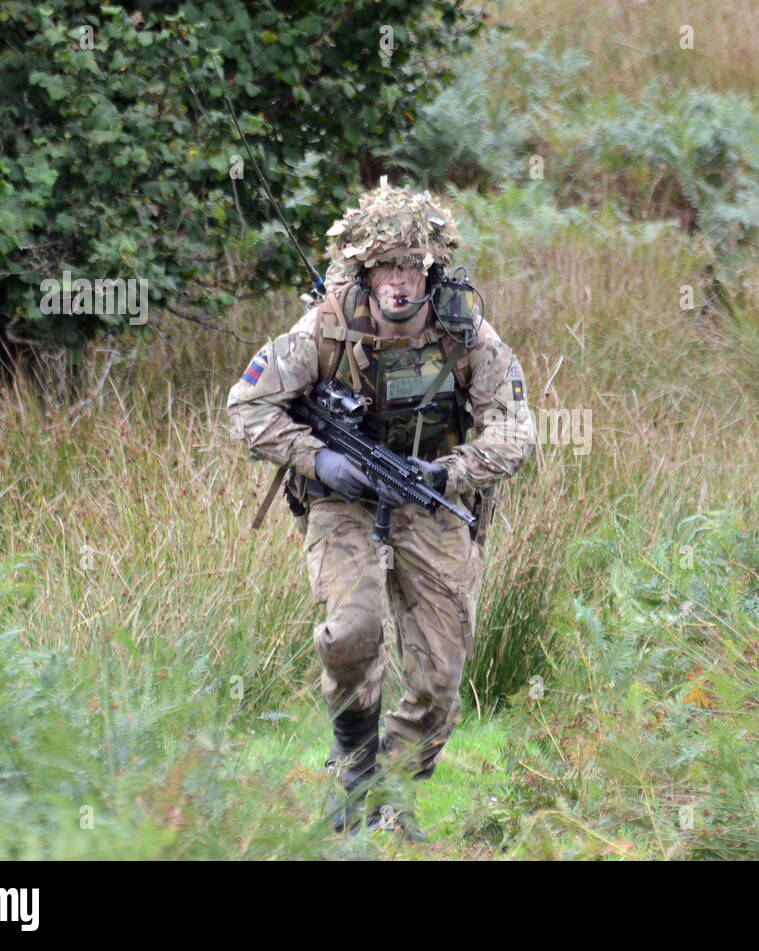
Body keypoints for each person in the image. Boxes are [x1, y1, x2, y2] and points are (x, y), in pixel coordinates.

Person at [226, 181, 536, 839]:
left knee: (441, 675)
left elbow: (515, 432)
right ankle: (356, 766)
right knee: (352, 630)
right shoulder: (326, 325)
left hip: (431, 494)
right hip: (342, 498)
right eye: (384, 267)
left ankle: (393, 794)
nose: (397, 281)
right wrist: (320, 461)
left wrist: (448, 472)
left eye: (410, 267)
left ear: (431, 269)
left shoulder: (464, 330)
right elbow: (247, 408)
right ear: (364, 270)